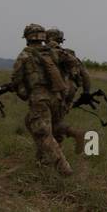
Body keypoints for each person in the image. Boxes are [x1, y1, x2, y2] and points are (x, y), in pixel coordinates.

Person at [11, 24, 73, 176]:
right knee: (45, 127)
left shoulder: (25, 55)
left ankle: (63, 168)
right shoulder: (53, 52)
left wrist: (22, 91)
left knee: (42, 132)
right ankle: (42, 162)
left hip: (40, 98)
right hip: (57, 97)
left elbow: (16, 79)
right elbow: (72, 64)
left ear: (27, 37)